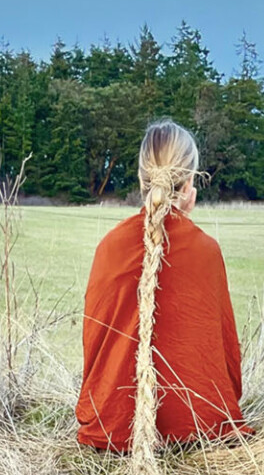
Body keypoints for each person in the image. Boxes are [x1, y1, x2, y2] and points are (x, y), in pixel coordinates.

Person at [76, 120, 252, 454]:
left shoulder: (110, 247)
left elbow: (93, 347)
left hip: (113, 427)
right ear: (189, 185)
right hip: (199, 425)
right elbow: (228, 358)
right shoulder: (206, 251)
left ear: (142, 181)